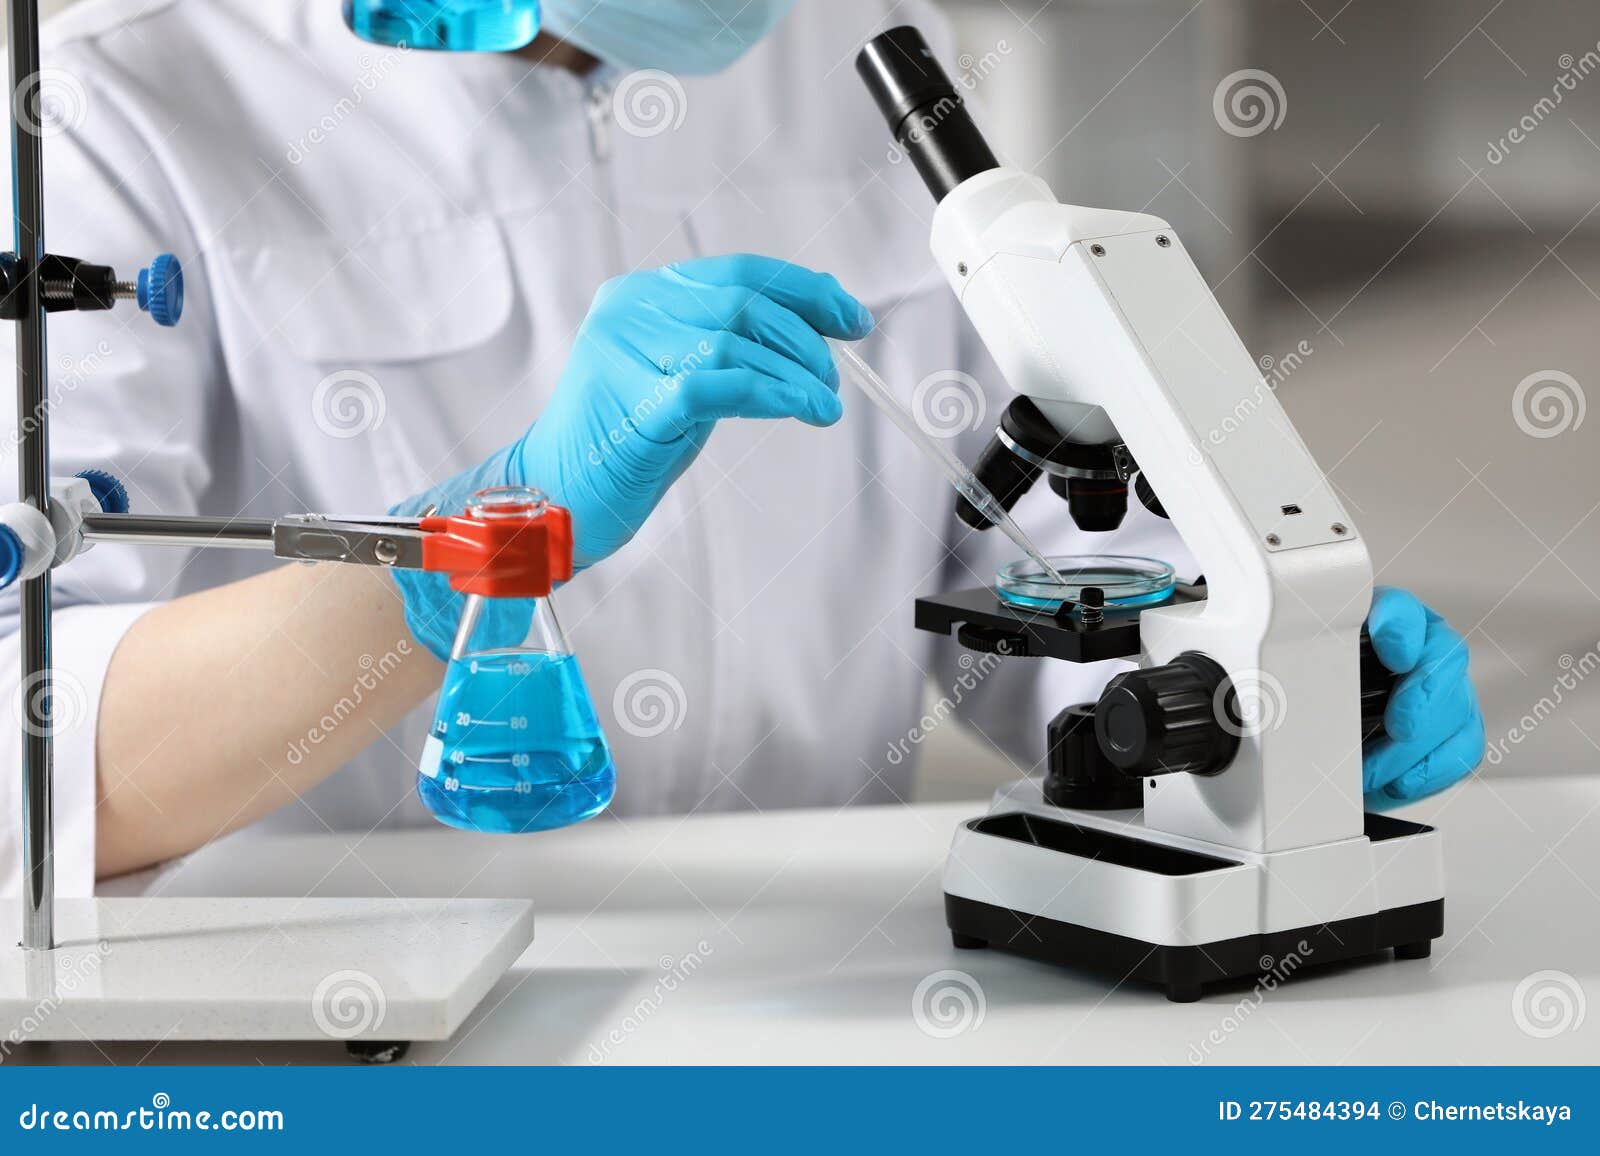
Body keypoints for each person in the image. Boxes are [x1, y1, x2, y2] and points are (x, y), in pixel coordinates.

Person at [0, 0, 1484, 894]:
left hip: (807, 979)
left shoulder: (845, 40)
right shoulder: (114, 104)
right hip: (365, 1018)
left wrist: (1239, 686)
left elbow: (1011, 554)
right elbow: (42, 765)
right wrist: (480, 542)